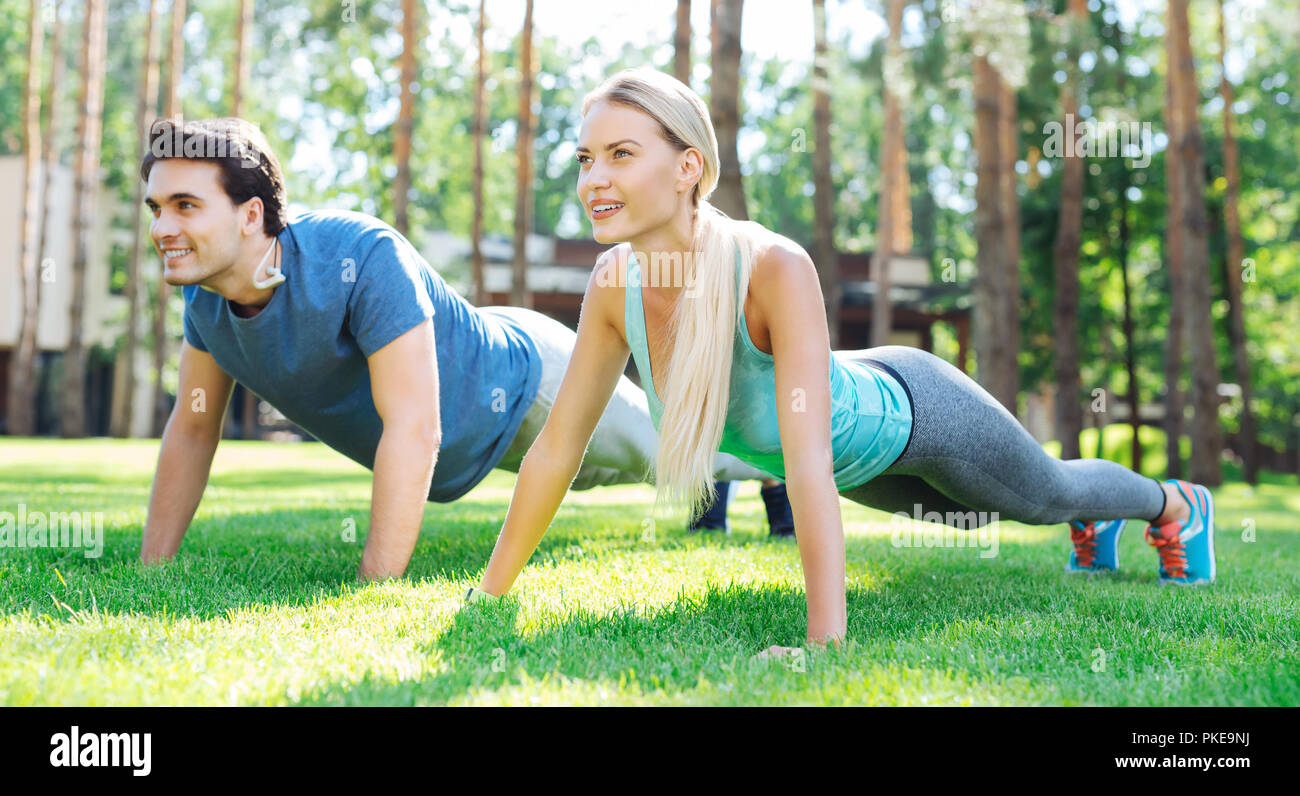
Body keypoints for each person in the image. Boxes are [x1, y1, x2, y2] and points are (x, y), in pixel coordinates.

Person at [469, 68, 1217, 655]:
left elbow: (807, 467)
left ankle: (1174, 504)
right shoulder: (613, 286)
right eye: (586, 158)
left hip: (918, 414)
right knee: (969, 520)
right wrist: (489, 598)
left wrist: (822, 644)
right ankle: (1096, 515)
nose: (594, 180)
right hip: (865, 467)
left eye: (621, 155)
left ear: (687, 166)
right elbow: (556, 452)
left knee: (1040, 498)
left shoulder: (771, 266)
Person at [137, 117, 769, 582]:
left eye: (185, 205)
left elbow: (415, 428)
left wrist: (374, 587)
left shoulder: (358, 254)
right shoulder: (205, 301)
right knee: (639, 471)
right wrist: (152, 571)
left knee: (675, 451)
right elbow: (193, 429)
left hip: (531, 385)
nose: (163, 228)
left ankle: (772, 476)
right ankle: (710, 496)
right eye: (156, 208)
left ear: (251, 215)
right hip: (480, 422)